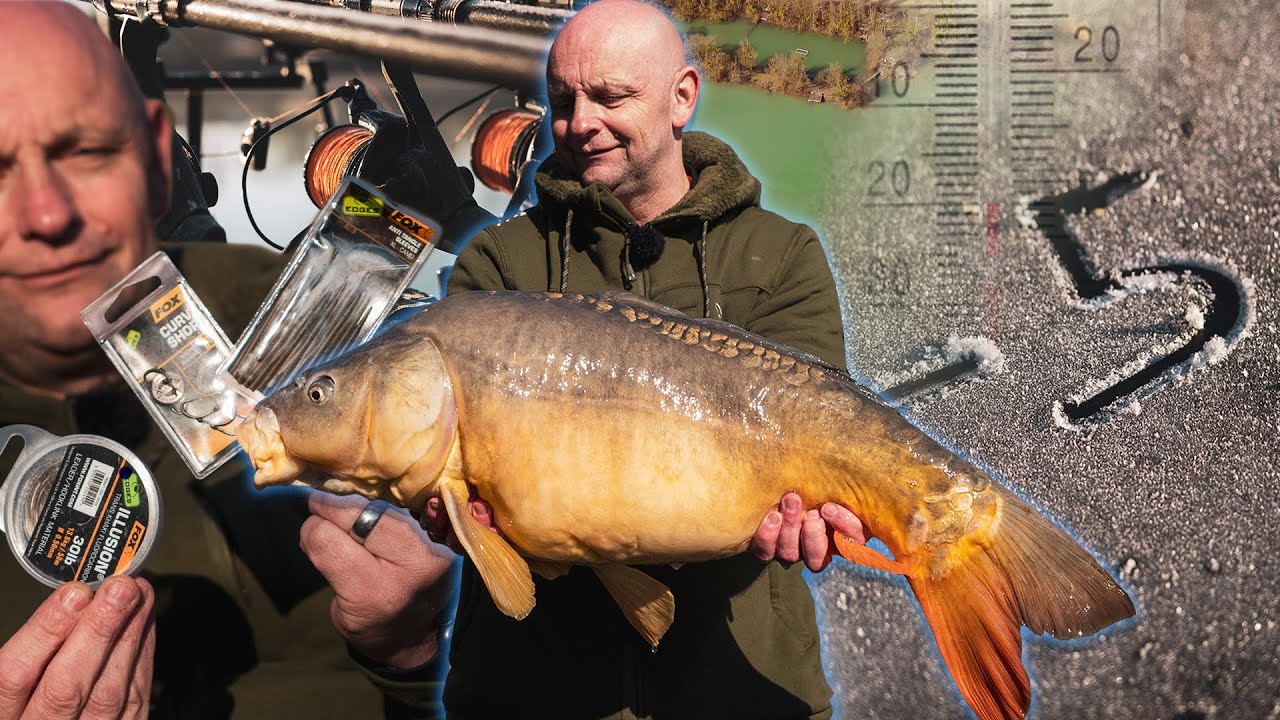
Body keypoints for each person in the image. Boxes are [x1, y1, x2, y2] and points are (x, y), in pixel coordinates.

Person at [421, 1, 868, 716]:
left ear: (681, 98)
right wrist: (451, 509)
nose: (581, 122)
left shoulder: (781, 253)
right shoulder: (499, 265)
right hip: (533, 693)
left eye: (611, 96)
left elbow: (826, 444)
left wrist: (820, 516)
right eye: (563, 100)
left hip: (740, 691)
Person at [0, 4, 447, 717]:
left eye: (84, 150)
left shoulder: (338, 321)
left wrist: (421, 654)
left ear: (156, 158)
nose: (47, 213)